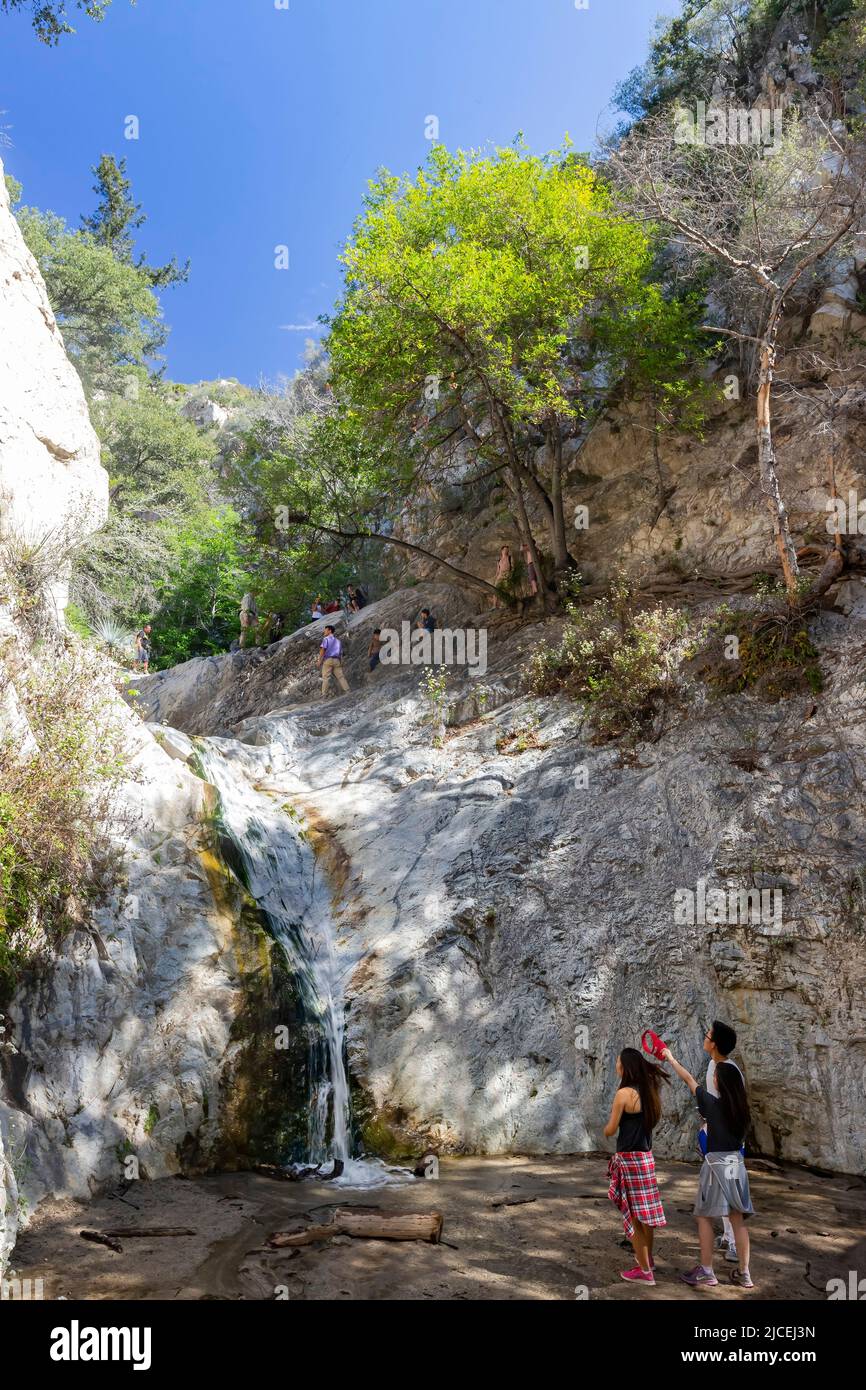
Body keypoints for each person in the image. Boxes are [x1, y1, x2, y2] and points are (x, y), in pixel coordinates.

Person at [662, 1041, 755, 1290]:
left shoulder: (713, 1107)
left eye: (715, 1075)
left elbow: (689, 1080)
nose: (712, 1077)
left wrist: (670, 1059)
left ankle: (706, 1271)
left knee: (704, 1217)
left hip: (716, 1165)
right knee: (738, 1220)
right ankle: (745, 1274)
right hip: (737, 1164)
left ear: (720, 1083)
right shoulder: (743, 1111)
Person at [604, 1046, 670, 1285]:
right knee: (645, 1217)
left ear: (625, 1067)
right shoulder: (650, 1091)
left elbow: (611, 1129)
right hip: (645, 1158)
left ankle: (644, 1272)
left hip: (629, 1160)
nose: (616, 1066)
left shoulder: (623, 1094)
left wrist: (606, 1129)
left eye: (618, 1062)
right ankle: (648, 1261)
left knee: (633, 1218)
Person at [701, 1021, 745, 1266]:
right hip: (715, 1137)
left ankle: (737, 1246)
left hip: (728, 1142)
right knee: (718, 1189)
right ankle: (728, 1236)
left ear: (715, 1043)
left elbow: (731, 1109)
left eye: (707, 1035)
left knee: (729, 1192)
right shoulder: (713, 1065)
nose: (705, 1037)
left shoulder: (729, 1070)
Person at [318, 624, 350, 698]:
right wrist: (341, 662)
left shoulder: (326, 639)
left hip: (328, 660)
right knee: (341, 677)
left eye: (325, 630)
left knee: (326, 677)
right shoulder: (338, 641)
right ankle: (347, 690)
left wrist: (319, 660)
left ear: (329, 631)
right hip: (337, 660)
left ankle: (324, 695)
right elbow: (340, 653)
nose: (324, 632)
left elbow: (323, 650)